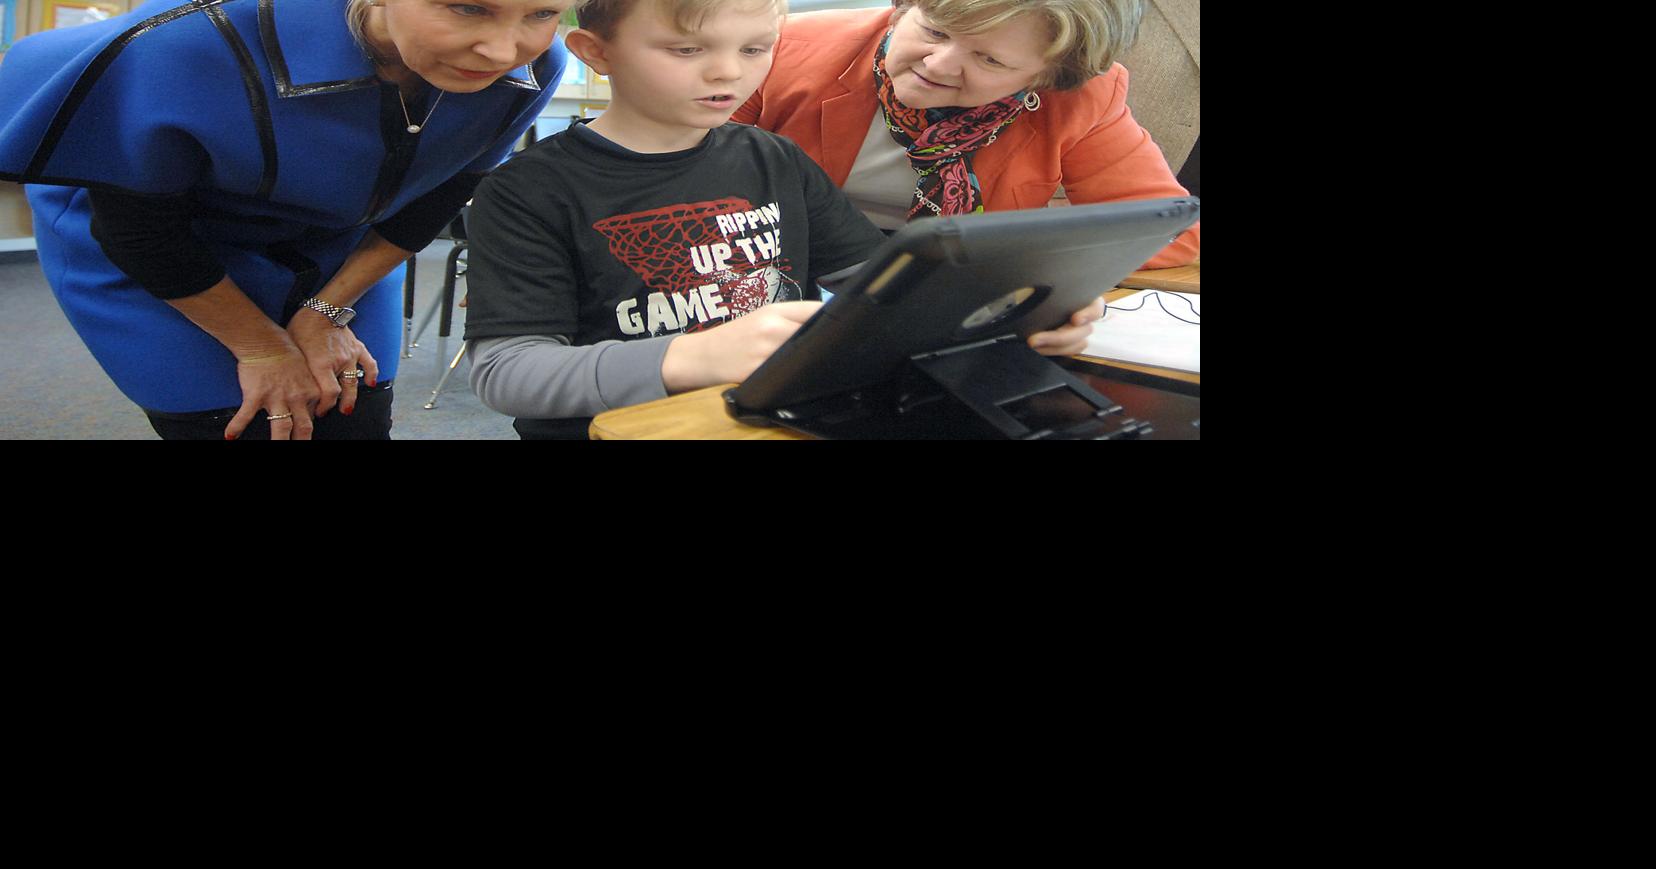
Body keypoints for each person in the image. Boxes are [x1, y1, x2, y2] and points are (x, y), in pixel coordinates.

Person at [462, 0, 1101, 438]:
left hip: (768, 421)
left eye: (756, 48)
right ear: (594, 51)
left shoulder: (775, 158)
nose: (728, 71)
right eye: (686, 48)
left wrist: (1017, 306)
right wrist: (688, 357)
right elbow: (508, 373)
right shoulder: (528, 191)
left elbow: (876, 283)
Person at [0, 0, 574, 439]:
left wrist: (327, 310)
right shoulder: (188, 45)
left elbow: (440, 194)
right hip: (163, 247)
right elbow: (141, 230)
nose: (503, 50)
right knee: (246, 421)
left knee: (355, 412)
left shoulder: (534, 66)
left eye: (542, 11)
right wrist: (263, 348)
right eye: (466, 6)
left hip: (342, 246)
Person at [731, 0, 1198, 269]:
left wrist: (1028, 278)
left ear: (1045, 78)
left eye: (989, 60)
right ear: (903, 8)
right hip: (789, 264)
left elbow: (1168, 229)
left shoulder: (1080, 99)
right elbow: (694, 185)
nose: (937, 65)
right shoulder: (779, 52)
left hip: (953, 285)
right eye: (934, 31)